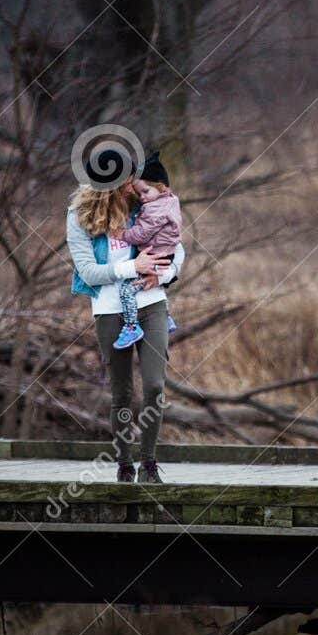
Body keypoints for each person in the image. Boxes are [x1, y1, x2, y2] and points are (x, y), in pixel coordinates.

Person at [65, 162, 184, 484]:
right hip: (109, 310)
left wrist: (164, 273)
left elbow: (177, 245)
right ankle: (124, 463)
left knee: (155, 385)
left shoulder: (143, 203)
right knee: (121, 392)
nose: (134, 187)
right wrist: (133, 266)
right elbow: (88, 272)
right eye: (128, 182)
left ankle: (149, 463)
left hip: (151, 303)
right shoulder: (80, 217)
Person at [110, 155, 182, 349]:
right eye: (139, 193)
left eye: (146, 192)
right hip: (165, 254)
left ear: (162, 186)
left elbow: (141, 235)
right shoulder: (171, 201)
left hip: (155, 256)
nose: (142, 198)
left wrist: (122, 234)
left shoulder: (154, 210)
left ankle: (132, 327)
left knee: (127, 290)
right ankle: (166, 318)